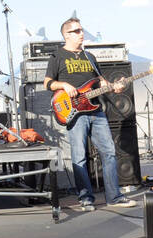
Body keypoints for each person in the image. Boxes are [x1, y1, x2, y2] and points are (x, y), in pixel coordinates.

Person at [43, 17, 136, 210]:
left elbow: (100, 81)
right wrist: (64, 85)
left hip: (95, 110)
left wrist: (113, 87)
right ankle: (86, 198)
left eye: (81, 30)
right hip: (74, 111)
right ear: (66, 34)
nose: (81, 33)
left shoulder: (89, 57)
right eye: (76, 31)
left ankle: (114, 197)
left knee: (109, 152)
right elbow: (48, 83)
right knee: (79, 157)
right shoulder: (57, 56)